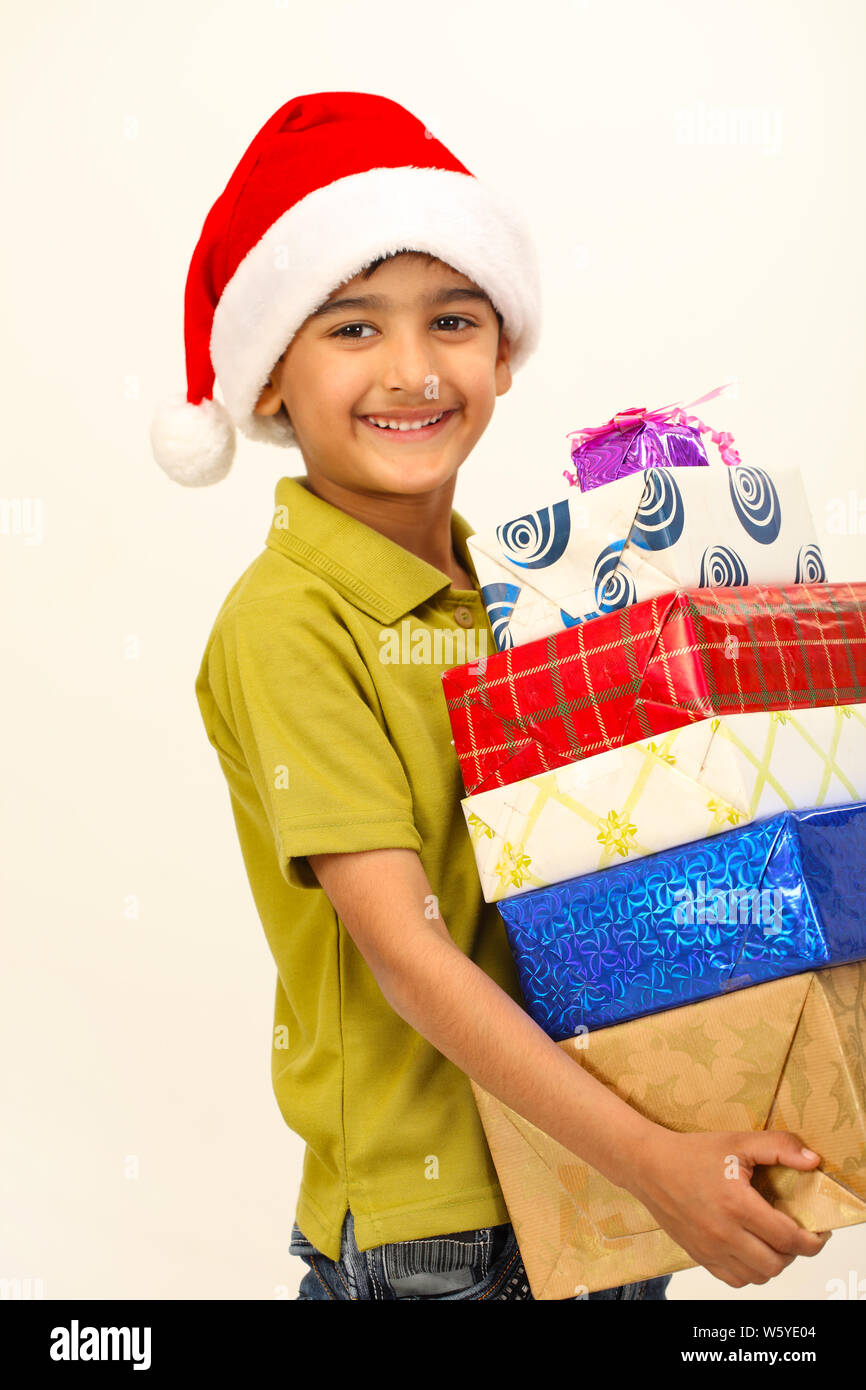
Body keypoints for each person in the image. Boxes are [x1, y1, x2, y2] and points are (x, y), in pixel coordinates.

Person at [151, 90, 831, 1301]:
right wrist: (655, 1161)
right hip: (449, 1233)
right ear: (264, 381)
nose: (411, 370)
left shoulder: (517, 597)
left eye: (450, 319)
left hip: (600, 1178)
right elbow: (410, 955)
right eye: (350, 328)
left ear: (503, 351)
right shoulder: (287, 622)